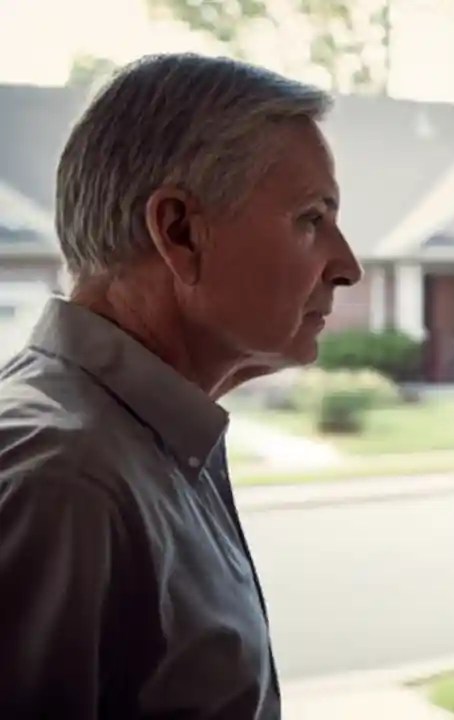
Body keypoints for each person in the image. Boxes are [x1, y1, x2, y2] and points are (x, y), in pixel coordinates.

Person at [0, 53, 362, 718]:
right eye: (312, 218)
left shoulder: (140, 438)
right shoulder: (63, 481)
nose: (347, 267)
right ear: (179, 232)